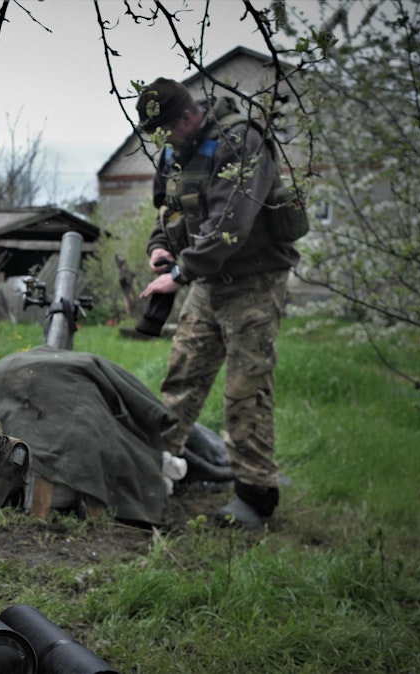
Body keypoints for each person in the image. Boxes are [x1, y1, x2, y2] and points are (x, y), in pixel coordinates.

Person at [135, 77, 300, 530]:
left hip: (253, 281)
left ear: (188, 117)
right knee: (182, 377)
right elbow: (166, 210)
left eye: (166, 132)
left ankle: (256, 495)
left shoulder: (240, 142)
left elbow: (231, 225)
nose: (161, 144)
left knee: (246, 390)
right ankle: (161, 470)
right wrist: (159, 248)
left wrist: (179, 275)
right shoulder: (173, 149)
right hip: (206, 282)